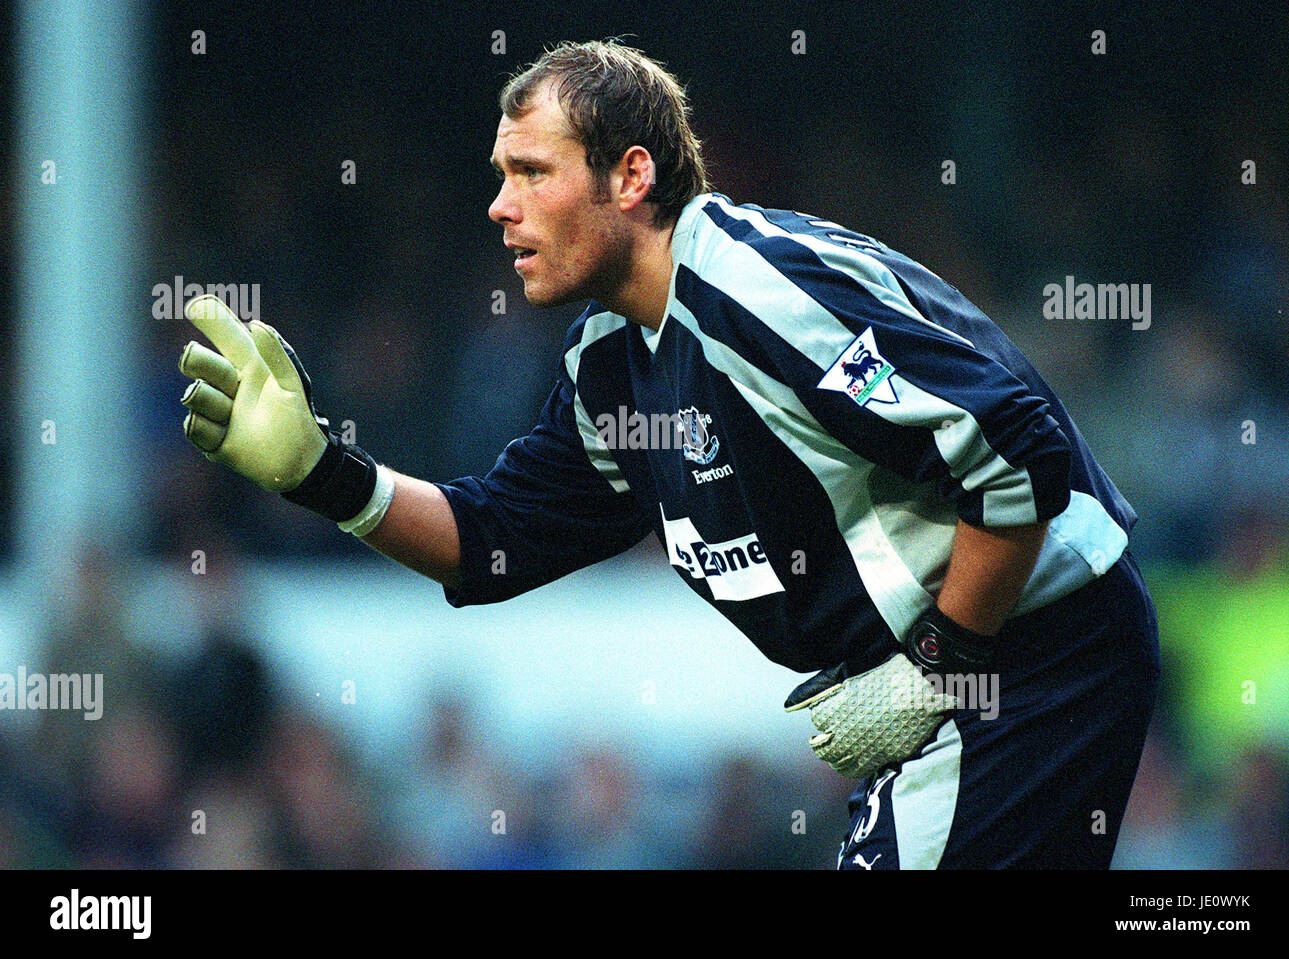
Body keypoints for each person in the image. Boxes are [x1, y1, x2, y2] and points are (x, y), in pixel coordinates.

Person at [176, 39, 1159, 868]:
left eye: (533, 172)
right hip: (945, 683)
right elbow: (491, 538)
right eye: (500, 177)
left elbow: (1014, 452)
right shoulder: (609, 363)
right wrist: (322, 473)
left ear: (631, 176)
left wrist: (935, 666)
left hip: (1031, 657)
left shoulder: (760, 290)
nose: (501, 207)